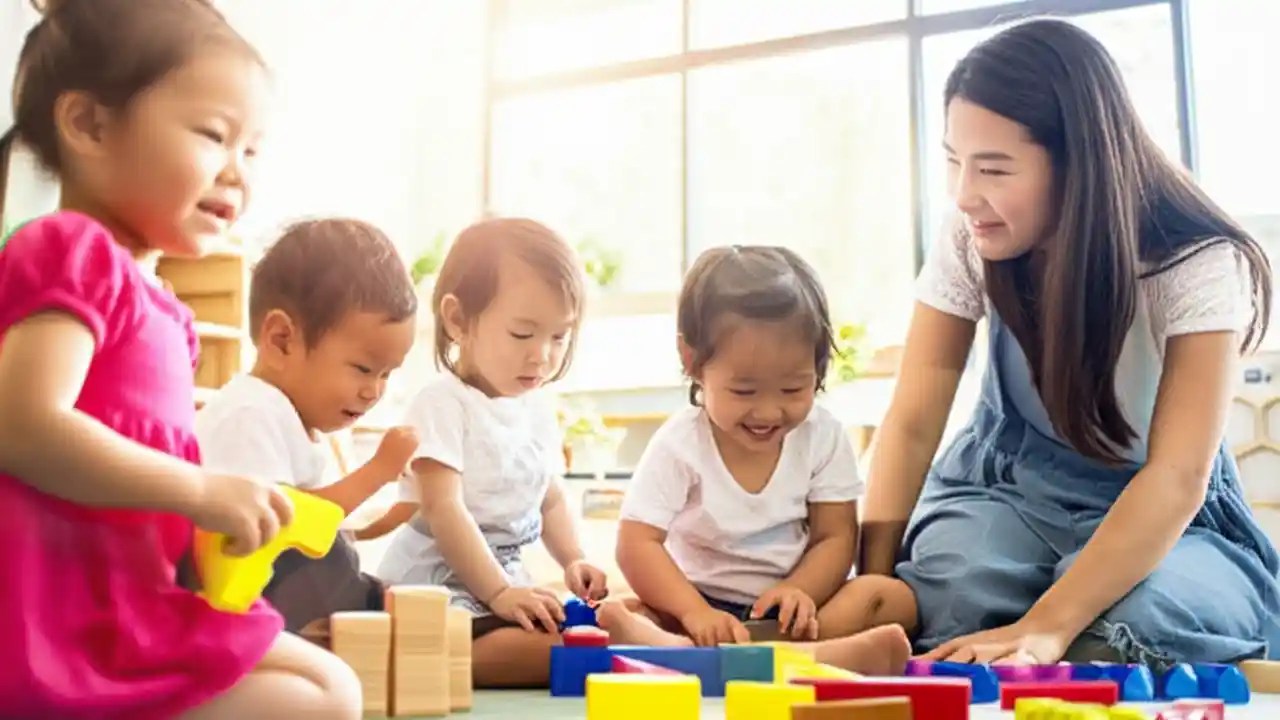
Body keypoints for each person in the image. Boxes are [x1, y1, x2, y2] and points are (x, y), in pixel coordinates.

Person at [851, 17, 1280, 669]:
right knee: (950, 590)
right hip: (1007, 494)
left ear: (1080, 161)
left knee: (1139, 621)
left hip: (1166, 511)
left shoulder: (1194, 261)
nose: (965, 195)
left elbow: (1178, 474)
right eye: (953, 162)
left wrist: (1051, 622)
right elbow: (912, 422)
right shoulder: (970, 235)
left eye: (993, 169)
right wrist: (875, 581)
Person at [0, 0, 361, 717]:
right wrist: (197, 492)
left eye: (251, 150)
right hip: (61, 616)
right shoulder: (73, 250)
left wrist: (215, 523)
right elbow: (21, 424)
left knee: (330, 688)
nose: (237, 172)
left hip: (134, 600)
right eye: (212, 135)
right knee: (315, 701)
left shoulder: (165, 308)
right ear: (90, 125)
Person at [596, 245, 911, 677]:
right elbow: (636, 544)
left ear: (818, 370)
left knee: (887, 595)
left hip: (787, 617)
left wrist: (800, 590)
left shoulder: (823, 435)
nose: (768, 412)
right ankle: (800, 661)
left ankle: (702, 659)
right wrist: (693, 612)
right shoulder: (680, 443)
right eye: (744, 392)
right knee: (625, 611)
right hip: (698, 604)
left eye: (793, 390)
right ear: (693, 362)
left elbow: (834, 536)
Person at [373, 218, 610, 687]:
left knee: (602, 626)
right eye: (523, 334)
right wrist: (499, 592)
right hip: (437, 592)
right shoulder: (442, 403)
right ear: (459, 320)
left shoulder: (535, 409)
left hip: (502, 592)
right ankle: (415, 662)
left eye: (559, 336)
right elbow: (444, 506)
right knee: (565, 651)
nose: (542, 355)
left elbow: (550, 498)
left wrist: (573, 560)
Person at [194, 218, 419, 635]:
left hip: (288, 597)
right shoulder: (249, 413)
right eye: (363, 369)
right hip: (242, 608)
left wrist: (404, 510)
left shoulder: (294, 418)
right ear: (281, 340)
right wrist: (378, 472)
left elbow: (333, 525)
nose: (374, 391)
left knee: (406, 604)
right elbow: (285, 528)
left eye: (387, 374)